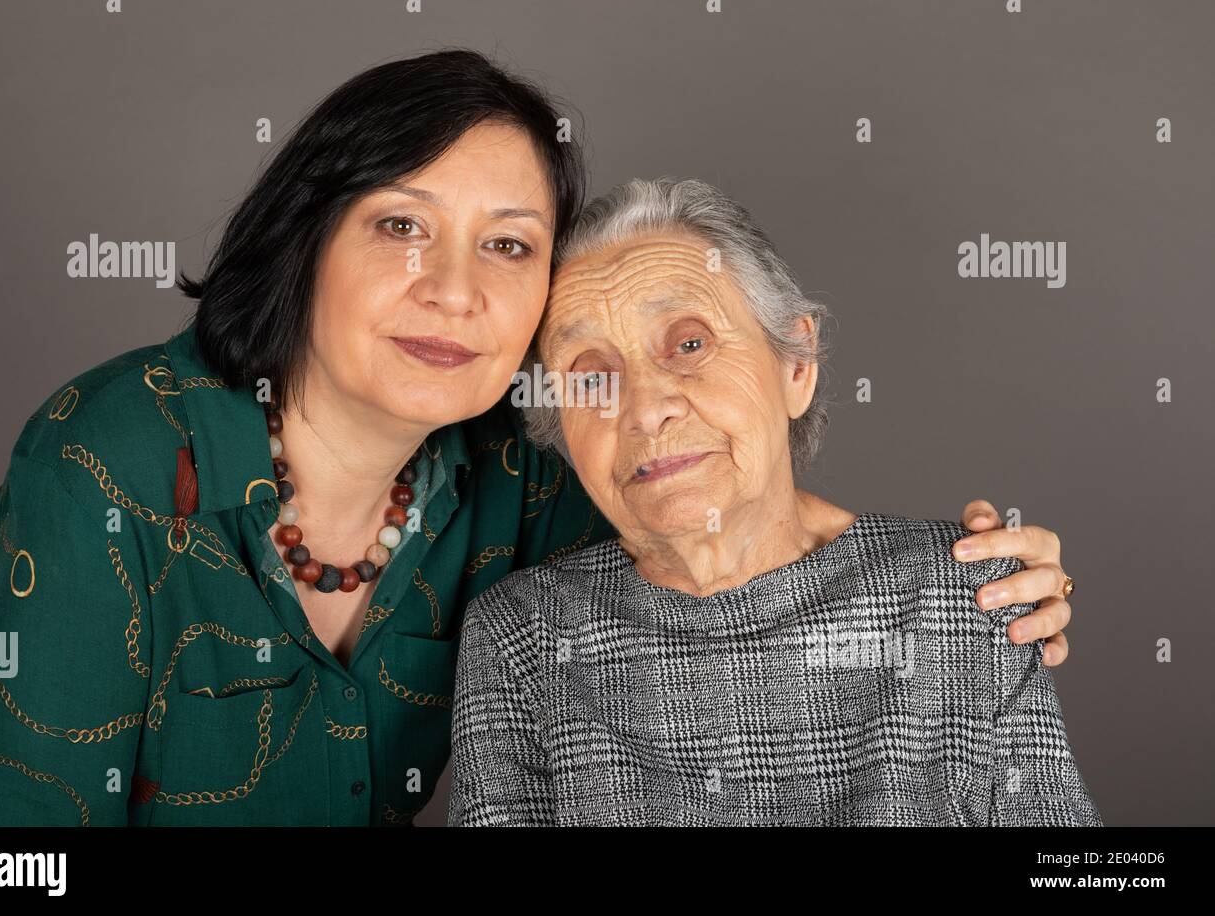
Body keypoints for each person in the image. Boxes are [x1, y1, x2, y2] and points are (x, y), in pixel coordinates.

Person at [0, 52, 1074, 827]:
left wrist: (955, 574)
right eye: (399, 226)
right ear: (303, 238)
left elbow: (718, 530)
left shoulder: (529, 476)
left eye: (509, 246)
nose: (453, 291)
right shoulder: (110, 465)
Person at [448, 178, 1098, 826]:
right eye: (591, 377)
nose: (645, 411)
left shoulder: (965, 595)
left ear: (796, 366)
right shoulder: (520, 636)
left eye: (690, 344)